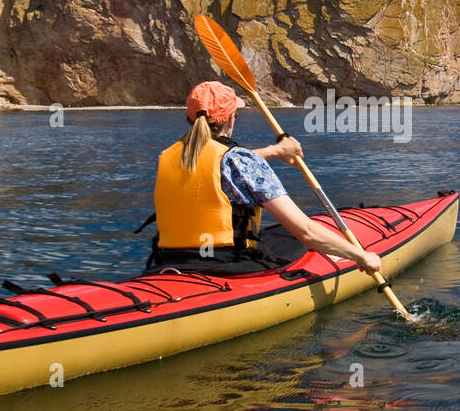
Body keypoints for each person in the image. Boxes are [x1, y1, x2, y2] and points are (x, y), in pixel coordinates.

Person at [148, 81, 383, 275]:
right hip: (223, 264)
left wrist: (276, 151)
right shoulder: (239, 162)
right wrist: (362, 256)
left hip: (169, 259)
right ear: (231, 119)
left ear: (190, 118)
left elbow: (219, 164)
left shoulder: (166, 156)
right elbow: (306, 232)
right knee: (294, 240)